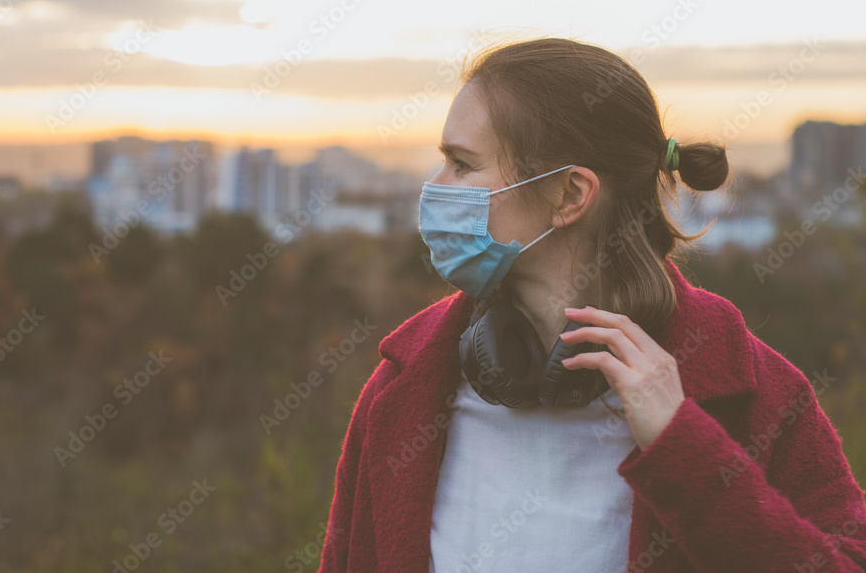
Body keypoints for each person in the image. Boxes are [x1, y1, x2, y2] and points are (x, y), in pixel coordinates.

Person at [316, 36, 866, 572]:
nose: (434, 187)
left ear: (570, 195)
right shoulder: (402, 387)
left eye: (462, 164)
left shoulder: (761, 396)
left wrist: (687, 450)